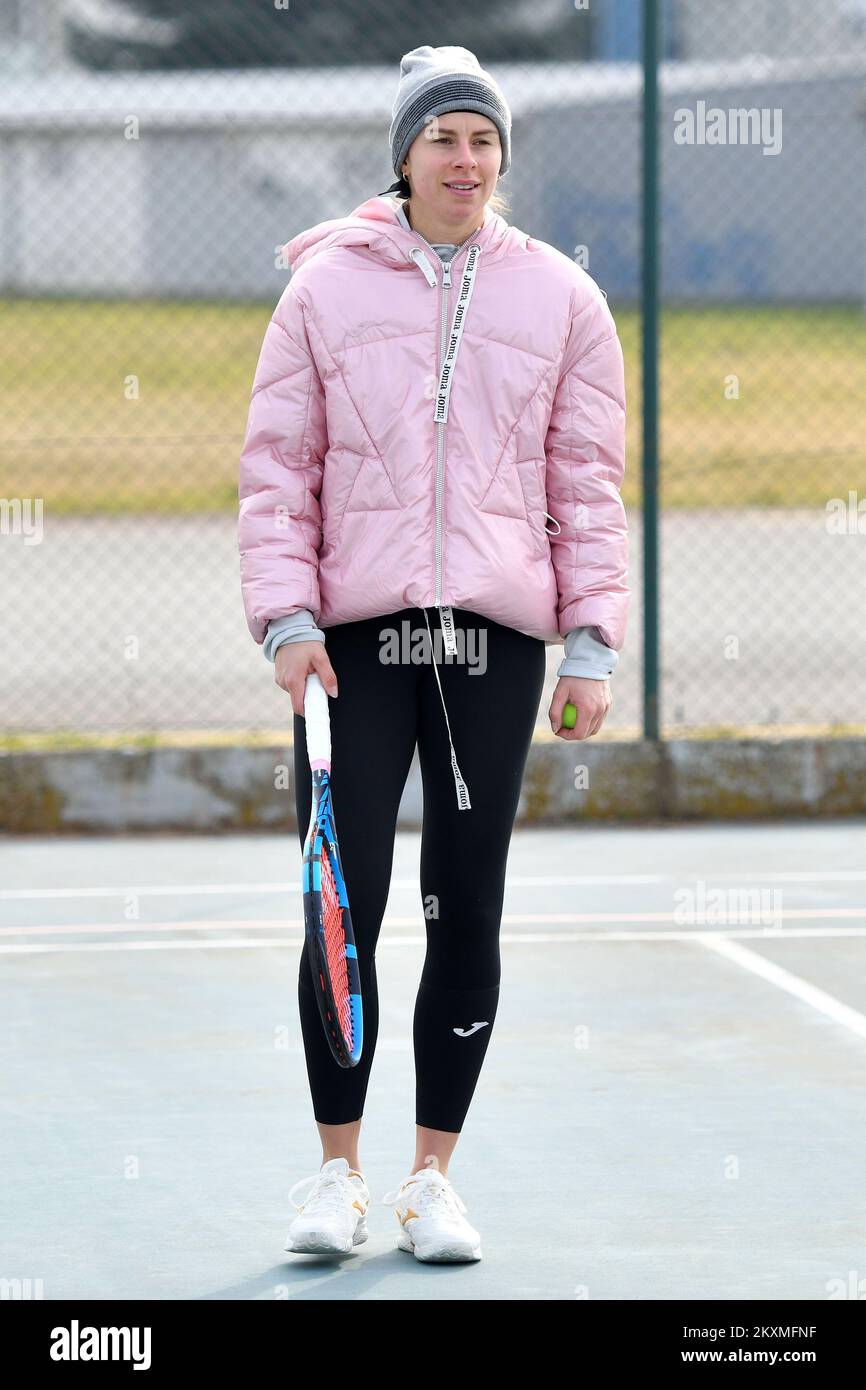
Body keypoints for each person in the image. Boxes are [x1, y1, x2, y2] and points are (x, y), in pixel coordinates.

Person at [237, 44, 628, 1263]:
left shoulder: (561, 297)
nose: (465, 161)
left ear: (502, 157)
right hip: (352, 646)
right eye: (442, 138)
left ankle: (429, 1182)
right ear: (401, 155)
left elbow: (586, 484)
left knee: (467, 903)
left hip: (491, 649)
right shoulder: (320, 291)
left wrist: (589, 642)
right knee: (337, 905)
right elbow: (274, 473)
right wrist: (286, 621)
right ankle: (334, 1178)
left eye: (482, 140)